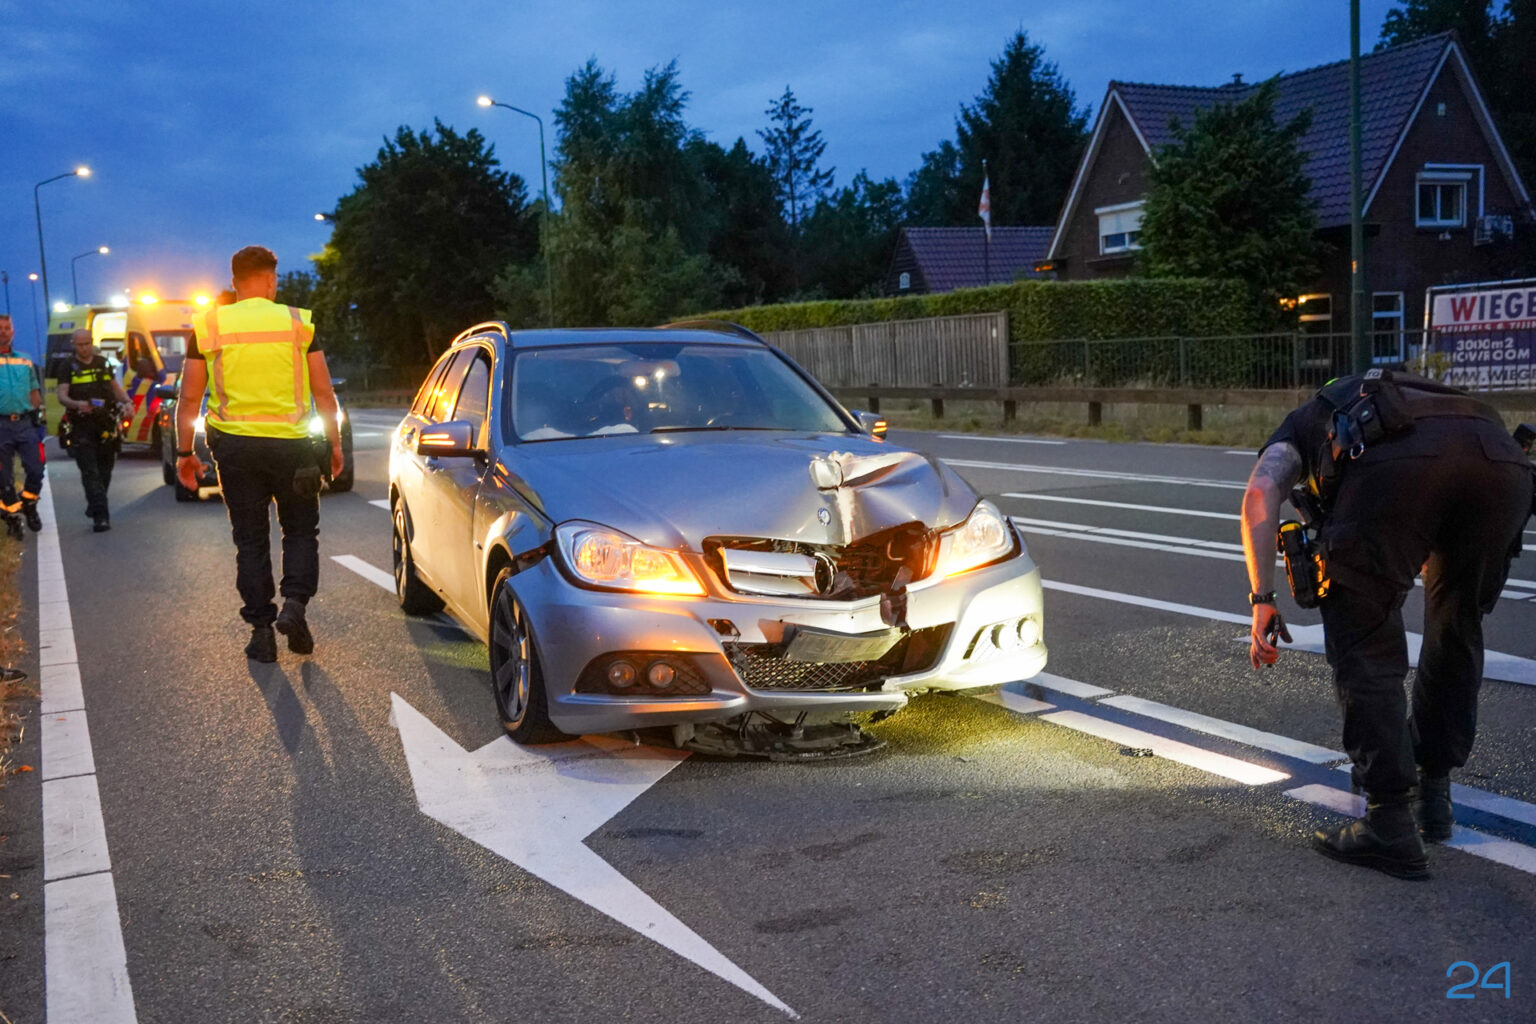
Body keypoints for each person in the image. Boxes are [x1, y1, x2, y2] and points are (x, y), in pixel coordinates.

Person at [1241, 369, 1534, 880]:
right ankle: (1434, 797)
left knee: (1365, 636)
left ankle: (1389, 821)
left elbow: (1261, 493)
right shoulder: (1403, 396)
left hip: (1401, 470)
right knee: (1456, 627)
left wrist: (1262, 598)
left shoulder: (1302, 424)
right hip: (1504, 465)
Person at [176, 246, 342, 663]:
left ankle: (262, 631)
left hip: (236, 448)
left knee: (250, 539)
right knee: (300, 530)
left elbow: (189, 398)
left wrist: (184, 453)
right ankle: (295, 606)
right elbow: (324, 393)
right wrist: (335, 445)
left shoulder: (209, 326)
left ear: (234, 283)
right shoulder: (297, 322)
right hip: (295, 447)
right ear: (272, 279)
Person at [57, 329, 132, 532]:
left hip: (105, 423)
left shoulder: (102, 363)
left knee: (105, 470)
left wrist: (127, 401)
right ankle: (101, 516)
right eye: (80, 344)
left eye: (87, 343)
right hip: (82, 425)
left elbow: (114, 386)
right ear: (74, 344)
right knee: (90, 472)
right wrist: (77, 404)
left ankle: (95, 503)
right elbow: (62, 395)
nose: (84, 347)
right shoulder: (67, 367)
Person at [0, 314, 45, 540]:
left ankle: (29, 502)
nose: (3, 332)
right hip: (0, 426)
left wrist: (39, 418)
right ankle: (12, 517)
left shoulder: (25, 360)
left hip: (25, 423)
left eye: (7, 328)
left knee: (36, 469)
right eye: (0, 328)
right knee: (3, 478)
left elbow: (34, 392)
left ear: (13, 331)